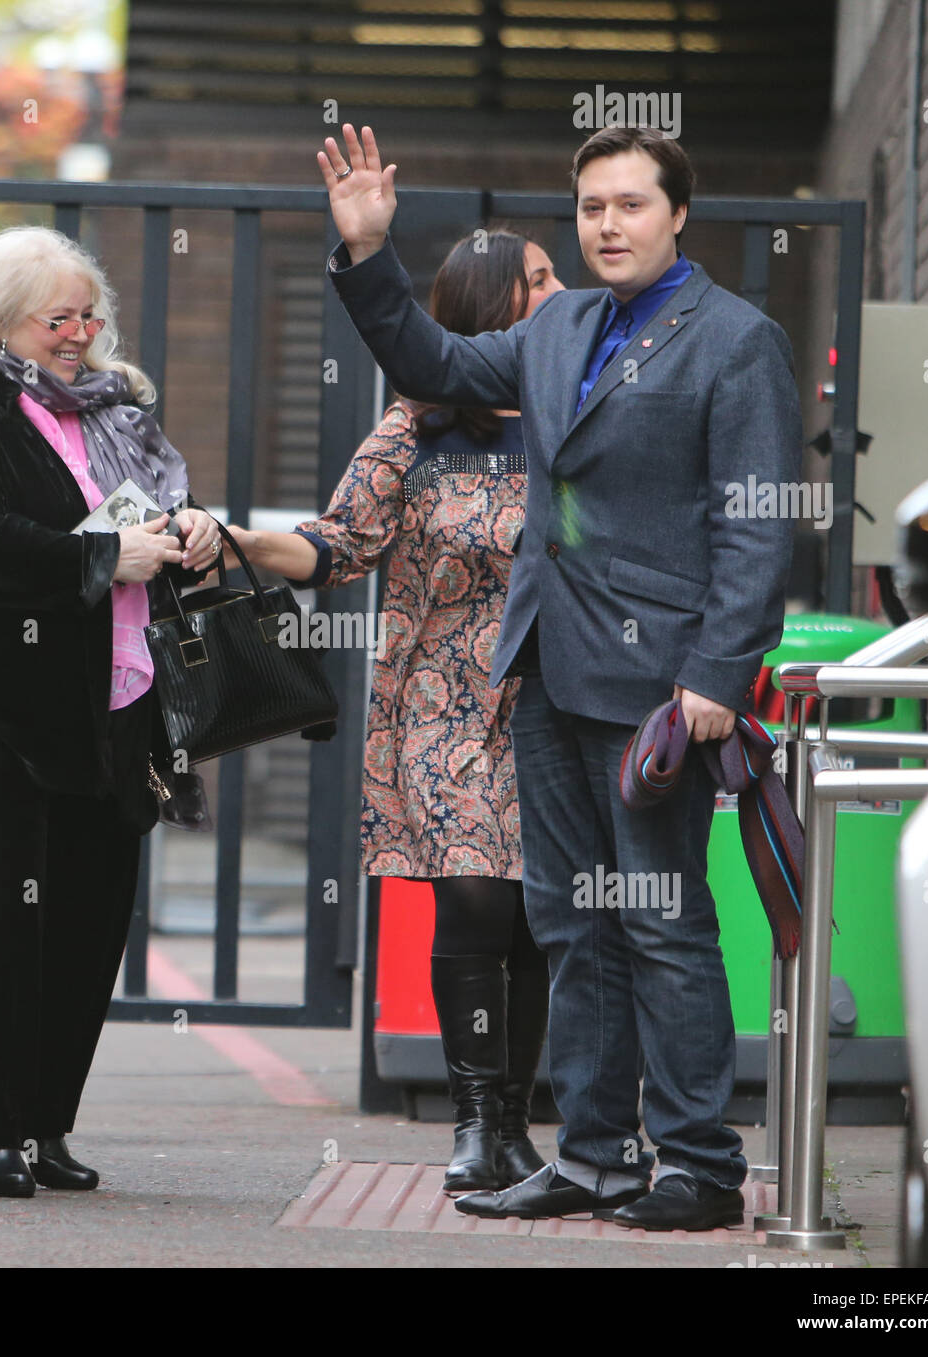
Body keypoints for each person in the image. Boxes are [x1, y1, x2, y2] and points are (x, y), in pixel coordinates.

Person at [318, 124, 802, 1231]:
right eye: (591, 208)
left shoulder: (735, 341)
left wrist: (721, 669)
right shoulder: (559, 326)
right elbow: (433, 365)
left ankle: (697, 1165)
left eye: (631, 205)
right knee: (570, 924)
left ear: (679, 214)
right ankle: (593, 1157)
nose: (608, 226)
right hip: (543, 670)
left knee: (663, 924)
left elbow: (754, 525)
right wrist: (368, 253)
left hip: (663, 690)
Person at [0, 226, 222, 1197]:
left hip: (104, 706)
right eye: (54, 317)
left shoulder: (113, 407)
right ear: (0, 319)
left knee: (84, 923)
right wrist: (102, 560)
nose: (77, 333)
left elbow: (142, 502)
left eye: (87, 314)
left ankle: (46, 1122)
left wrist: (182, 531)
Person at [225, 228, 563, 1192]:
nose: (557, 291)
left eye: (553, 276)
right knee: (473, 893)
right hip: (439, 705)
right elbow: (337, 546)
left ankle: (514, 1124)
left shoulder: (571, 417)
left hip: (544, 698)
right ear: (489, 307)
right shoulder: (417, 427)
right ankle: (469, 1123)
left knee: (537, 917)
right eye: (536, 281)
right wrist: (237, 543)